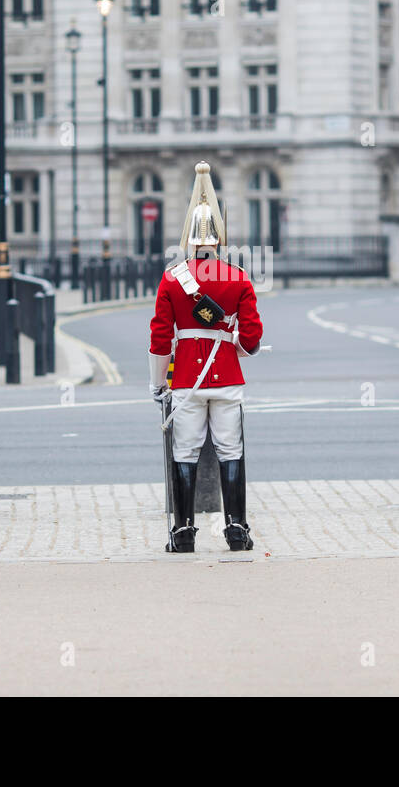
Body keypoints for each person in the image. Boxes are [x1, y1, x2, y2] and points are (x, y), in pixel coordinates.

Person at [149, 162, 263, 552]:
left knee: (185, 452)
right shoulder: (239, 278)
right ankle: (236, 529)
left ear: (189, 238)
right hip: (228, 378)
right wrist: (233, 338)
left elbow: (161, 337)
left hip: (186, 383)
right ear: (218, 238)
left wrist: (157, 382)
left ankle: (182, 534)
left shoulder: (172, 278)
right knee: (231, 450)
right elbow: (250, 341)